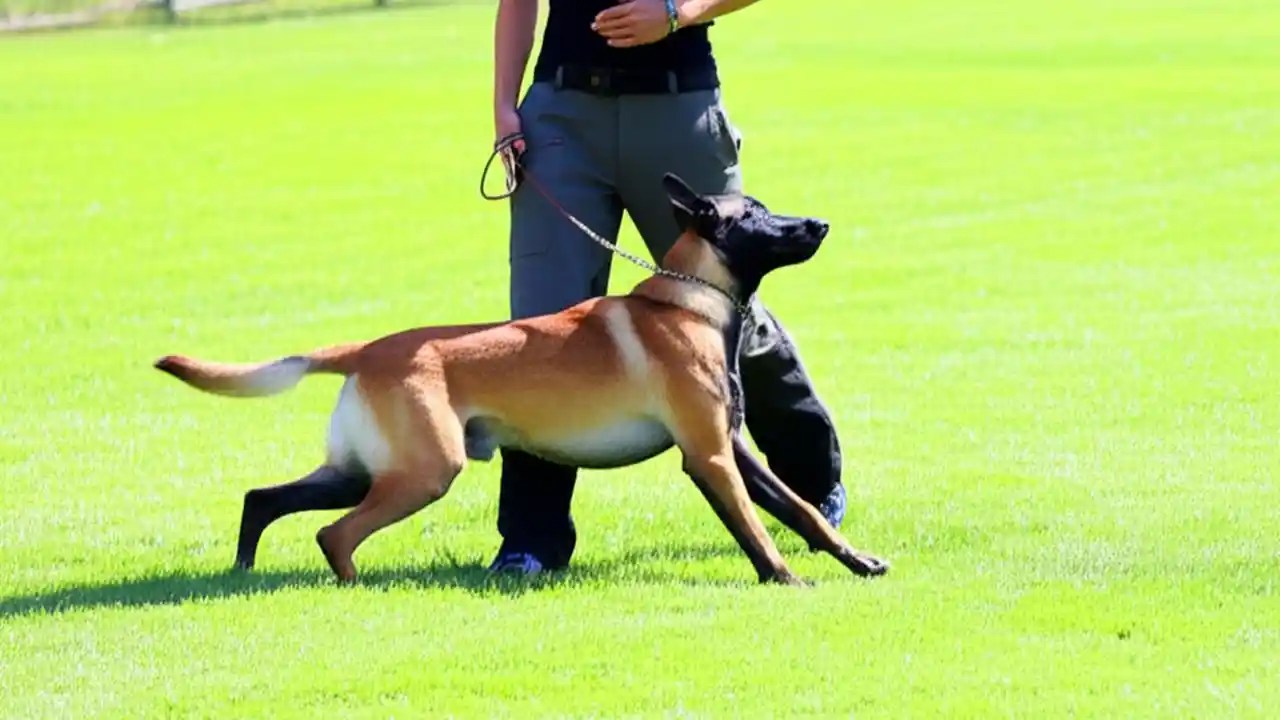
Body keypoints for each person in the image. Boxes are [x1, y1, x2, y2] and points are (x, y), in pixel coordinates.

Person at [488, 0, 847, 575]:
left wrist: (678, 13)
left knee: (734, 317)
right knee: (540, 335)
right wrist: (505, 106)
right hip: (560, 120)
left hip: (679, 112)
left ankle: (813, 484)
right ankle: (531, 541)